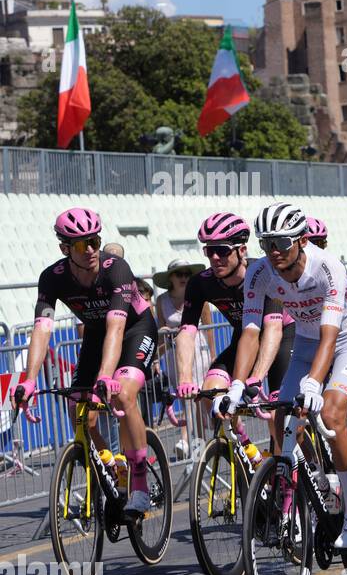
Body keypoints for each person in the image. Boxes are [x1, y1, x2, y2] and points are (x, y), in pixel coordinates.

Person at [218, 202, 347, 548]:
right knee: (280, 418)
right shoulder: (259, 274)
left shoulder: (327, 267)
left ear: (302, 240)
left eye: (281, 243)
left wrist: (314, 384)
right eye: (265, 244)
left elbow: (331, 335)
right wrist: (238, 384)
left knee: (332, 415)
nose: (273, 252)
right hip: (306, 341)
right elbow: (250, 331)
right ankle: (318, 481)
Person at [10, 208, 159, 514]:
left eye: (94, 240)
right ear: (65, 249)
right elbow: (42, 329)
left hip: (135, 329)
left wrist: (106, 376)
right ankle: (111, 464)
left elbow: (117, 326)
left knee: (123, 393)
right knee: (77, 408)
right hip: (96, 333)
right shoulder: (52, 278)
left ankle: (141, 483)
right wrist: (28, 379)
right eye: (81, 244)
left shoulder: (115, 268)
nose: (91, 249)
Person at [175, 212, 295, 454]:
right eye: (209, 251)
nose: (216, 257)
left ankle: (306, 469)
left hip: (282, 336)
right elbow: (186, 332)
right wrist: (185, 376)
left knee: (277, 416)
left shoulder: (263, 273)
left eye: (222, 250)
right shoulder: (201, 283)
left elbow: (272, 328)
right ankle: (250, 453)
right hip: (245, 339)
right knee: (211, 393)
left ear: (241, 250)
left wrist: (257, 376)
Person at [153, 259, 208, 456]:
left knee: (196, 396)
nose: (184, 278)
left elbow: (209, 328)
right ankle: (198, 444)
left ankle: (188, 440)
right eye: (179, 274)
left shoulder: (200, 295)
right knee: (187, 395)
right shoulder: (161, 301)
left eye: (187, 274)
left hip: (198, 349)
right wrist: (157, 357)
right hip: (173, 352)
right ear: (171, 278)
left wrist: (214, 353)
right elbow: (159, 330)